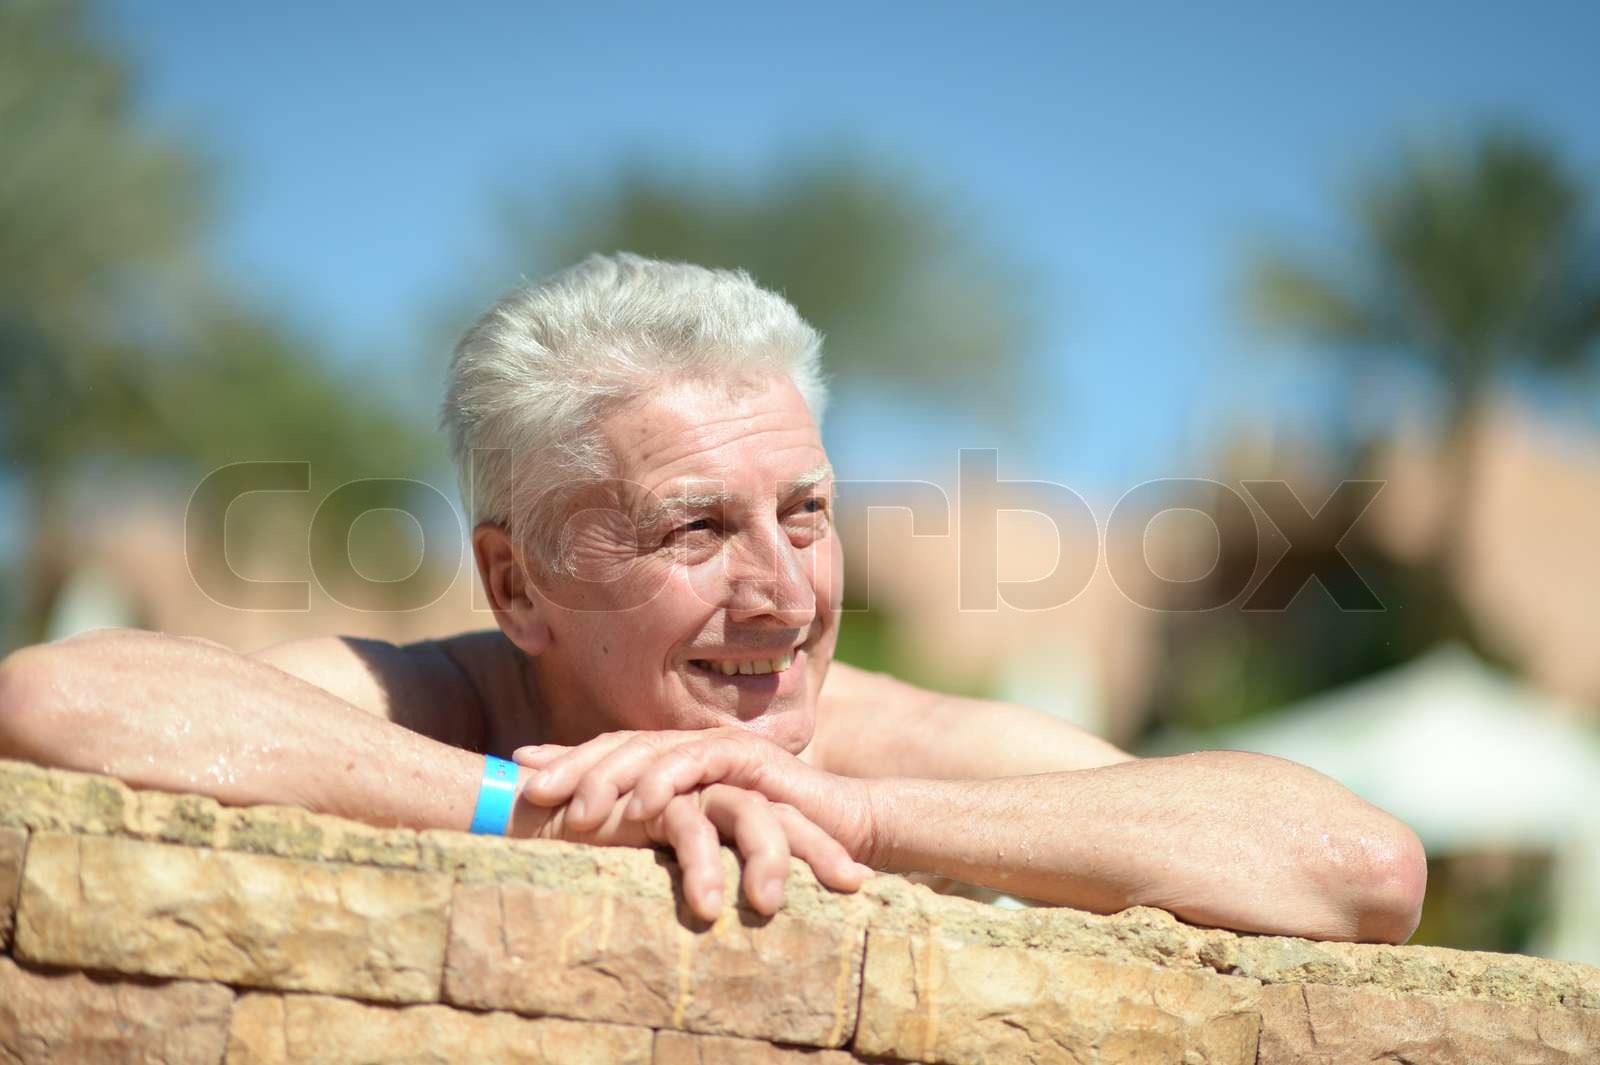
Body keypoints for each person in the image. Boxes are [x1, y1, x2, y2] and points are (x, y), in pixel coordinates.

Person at [0, 252, 1426, 943]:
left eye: (806, 512)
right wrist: (535, 804)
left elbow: (1358, 870)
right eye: (695, 527)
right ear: (520, 581)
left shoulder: (882, 747)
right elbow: (57, 698)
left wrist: (853, 814)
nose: (784, 592)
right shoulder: (426, 706)